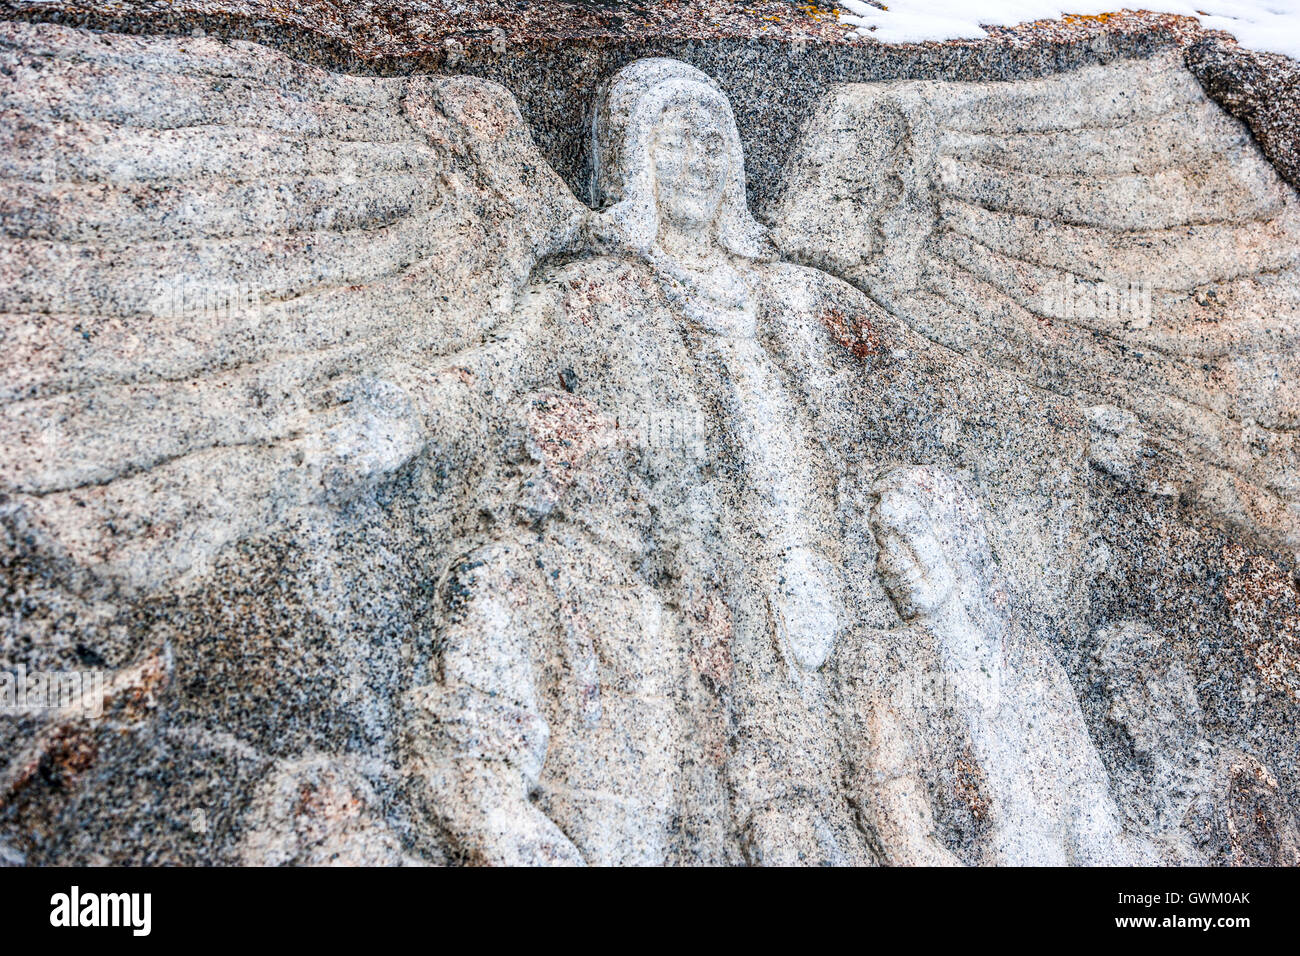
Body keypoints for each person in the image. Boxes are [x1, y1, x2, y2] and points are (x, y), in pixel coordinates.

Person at [855, 465, 1134, 865]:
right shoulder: (886, 667)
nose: (892, 559)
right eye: (884, 542)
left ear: (954, 537)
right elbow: (902, 828)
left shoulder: (1030, 664)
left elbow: (1090, 808)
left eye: (911, 532)